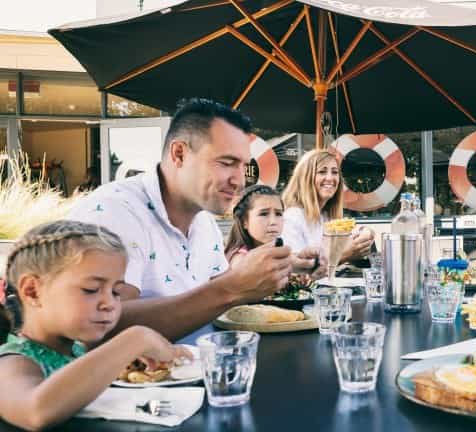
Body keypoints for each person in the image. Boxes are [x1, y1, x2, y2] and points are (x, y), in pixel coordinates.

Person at [68, 98, 301, 342]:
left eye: (243, 166)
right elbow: (102, 326)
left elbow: (214, 295)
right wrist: (233, 288)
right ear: (179, 154)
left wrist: (266, 273)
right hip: (141, 378)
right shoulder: (114, 211)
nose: (240, 181)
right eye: (226, 163)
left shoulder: (203, 219)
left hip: (206, 367)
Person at [0, 221, 189, 430]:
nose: (109, 303)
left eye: (116, 291)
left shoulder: (77, 350)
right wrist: (134, 339)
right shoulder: (13, 361)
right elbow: (34, 412)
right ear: (32, 291)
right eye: (91, 289)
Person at [282, 150, 373, 265]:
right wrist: (343, 254)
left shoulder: (326, 215)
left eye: (334, 172)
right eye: (322, 172)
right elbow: (297, 275)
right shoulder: (291, 218)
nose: (330, 178)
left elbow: (352, 238)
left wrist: (365, 234)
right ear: (305, 177)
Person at [224, 183, 326, 278]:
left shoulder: (278, 253)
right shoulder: (239, 259)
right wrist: (292, 264)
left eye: (278, 214)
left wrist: (310, 261)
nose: (273, 222)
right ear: (244, 221)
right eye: (263, 214)